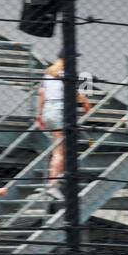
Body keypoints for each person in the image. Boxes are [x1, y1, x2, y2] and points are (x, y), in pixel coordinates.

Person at [38, 59, 93, 201]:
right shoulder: (65, 73)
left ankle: (58, 175)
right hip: (59, 111)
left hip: (48, 111)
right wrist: (86, 103)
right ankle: (52, 184)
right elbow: (74, 92)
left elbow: (42, 93)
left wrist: (40, 114)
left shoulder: (48, 74)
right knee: (59, 152)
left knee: (62, 148)